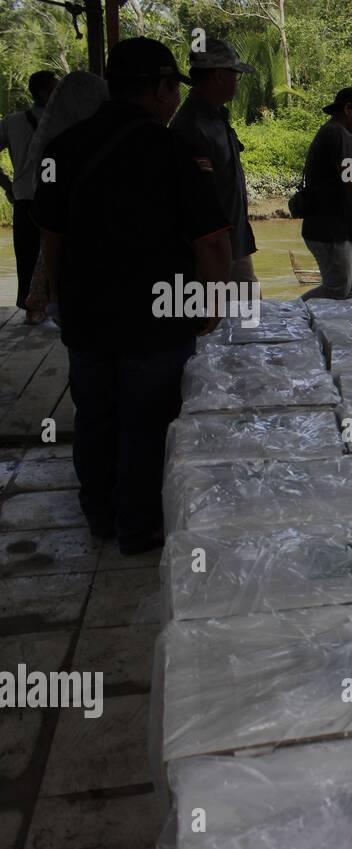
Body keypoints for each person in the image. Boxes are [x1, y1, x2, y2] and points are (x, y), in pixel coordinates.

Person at [34, 37, 231, 555]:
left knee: (95, 414)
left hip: (87, 313)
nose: (173, 101)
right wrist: (211, 304)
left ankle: (99, 513)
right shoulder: (175, 152)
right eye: (171, 89)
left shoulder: (63, 149)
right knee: (147, 418)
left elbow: (51, 236)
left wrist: (58, 293)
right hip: (157, 315)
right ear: (156, 89)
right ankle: (138, 526)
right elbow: (212, 241)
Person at [14, 71, 109, 326]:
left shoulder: (45, 139)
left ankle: (36, 306)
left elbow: (52, 233)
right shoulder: (94, 143)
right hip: (89, 254)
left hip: (28, 203)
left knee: (29, 257)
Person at [170, 38, 258, 285]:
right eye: (235, 76)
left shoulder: (216, 117)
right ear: (219, 77)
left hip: (234, 244)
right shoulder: (192, 126)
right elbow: (198, 201)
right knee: (230, 317)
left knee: (249, 314)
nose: (237, 83)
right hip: (214, 250)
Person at [299, 87, 352, 299]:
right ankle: (293, 313)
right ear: (348, 109)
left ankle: (348, 330)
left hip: (345, 229)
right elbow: (351, 179)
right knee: (337, 288)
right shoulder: (337, 134)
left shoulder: (336, 134)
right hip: (330, 229)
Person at [1, 71, 58, 311]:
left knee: (26, 255)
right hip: (54, 195)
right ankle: (54, 301)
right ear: (46, 93)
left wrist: (7, 184)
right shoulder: (61, 120)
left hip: (24, 195)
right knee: (54, 253)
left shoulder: (12, 122)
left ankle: (30, 307)